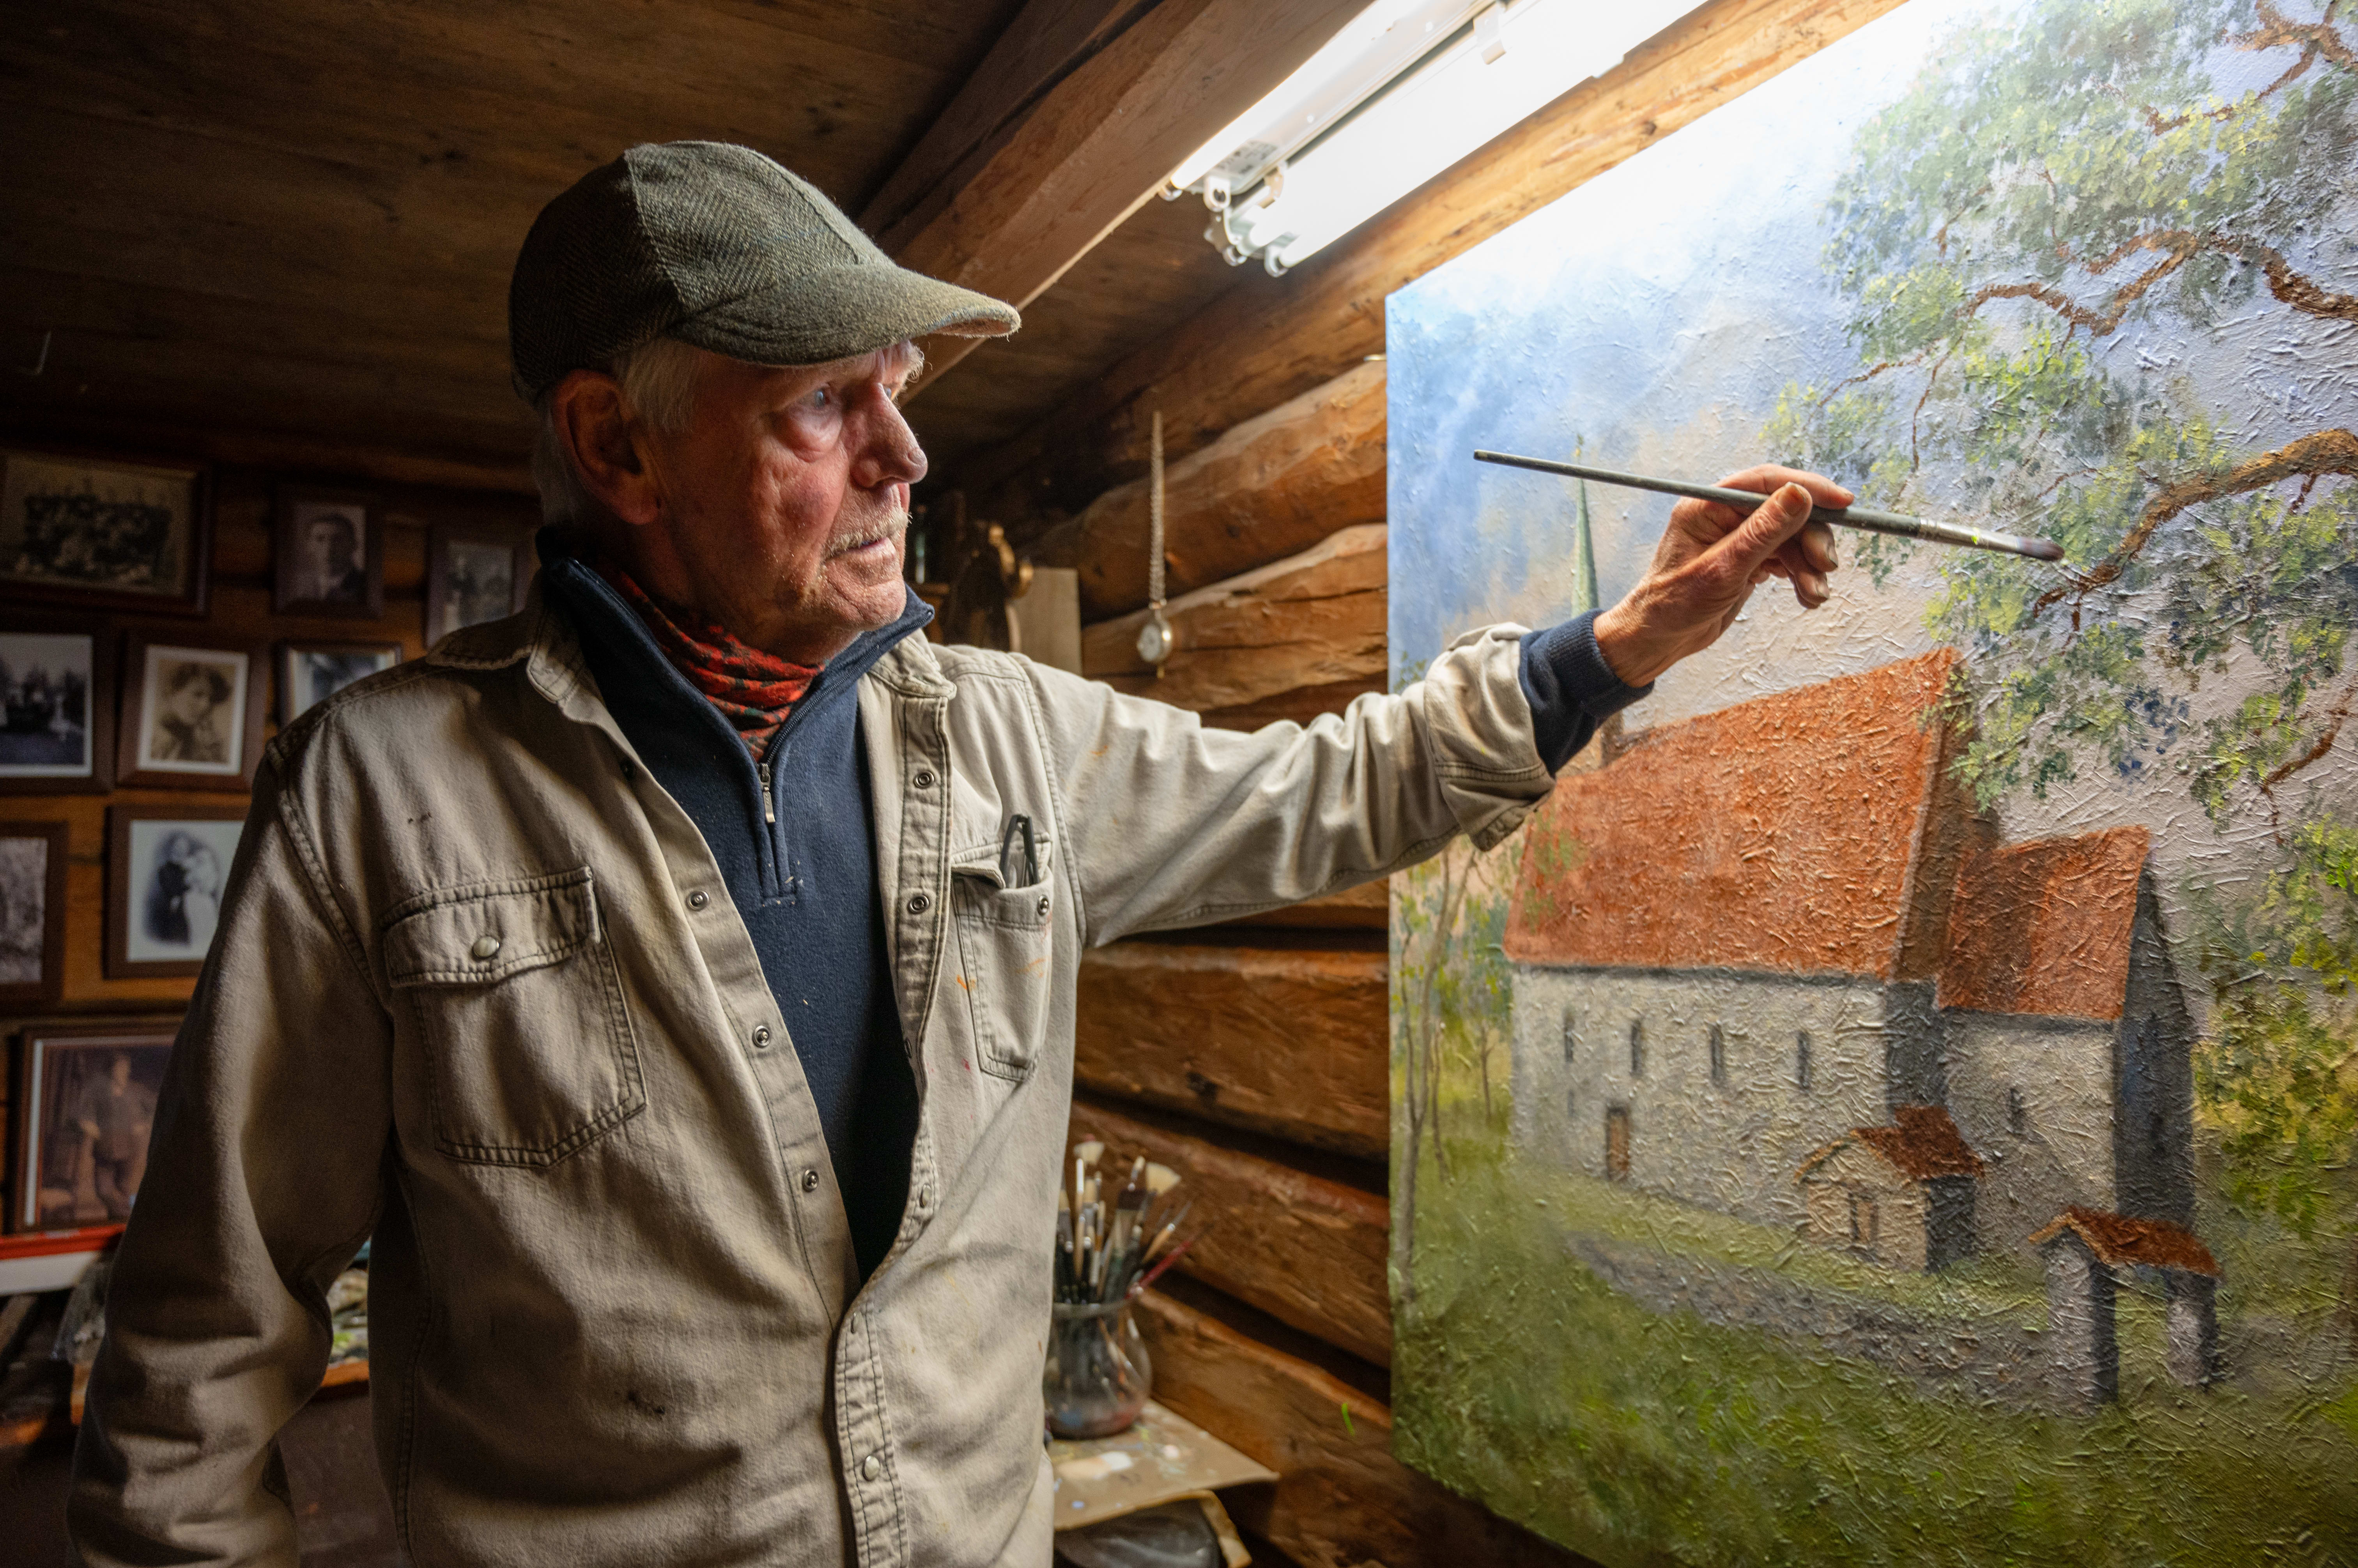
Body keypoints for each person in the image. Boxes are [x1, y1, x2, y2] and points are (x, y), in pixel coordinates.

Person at [71, 142, 1844, 1566]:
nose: (908, 453)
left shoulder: (1009, 734)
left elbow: (1341, 788)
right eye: (825, 405)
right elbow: (203, 1347)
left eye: (902, 391)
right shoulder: (378, 788)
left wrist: (1616, 647)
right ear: (620, 442)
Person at [71, 1054, 155, 1222]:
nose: (122, 1072)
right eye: (118, 1068)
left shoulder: (135, 1091)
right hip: (105, 1148)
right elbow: (82, 1114)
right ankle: (124, 1216)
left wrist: (145, 1125)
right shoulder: (100, 1091)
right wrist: (91, 1128)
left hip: (128, 1147)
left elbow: (157, 1107)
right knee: (104, 1191)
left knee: (124, 1188)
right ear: (111, 1070)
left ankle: (118, 1223)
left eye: (125, 1068)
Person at [147, 661, 230, 764]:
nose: (206, 706)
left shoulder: (206, 745)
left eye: (212, 699)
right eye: (198, 695)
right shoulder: (151, 740)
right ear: (173, 693)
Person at [295, 507, 368, 602]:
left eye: (338, 540)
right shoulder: (297, 585)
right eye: (320, 539)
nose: (329, 548)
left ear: (354, 545)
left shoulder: (366, 586)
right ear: (309, 546)